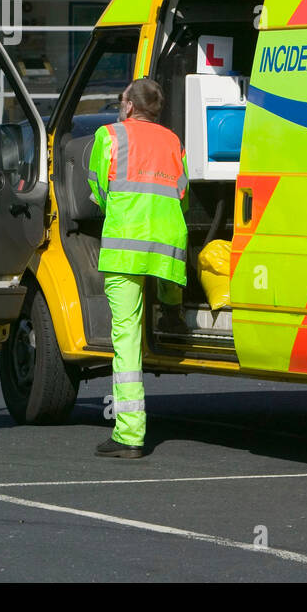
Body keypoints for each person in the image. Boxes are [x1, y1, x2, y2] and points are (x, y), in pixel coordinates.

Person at [88, 78, 189, 458]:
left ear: (129, 105)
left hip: (125, 246)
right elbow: (182, 189)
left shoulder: (109, 135)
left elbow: (98, 187)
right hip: (166, 242)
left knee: (126, 337)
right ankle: (172, 308)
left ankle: (129, 434)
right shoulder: (173, 140)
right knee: (168, 274)